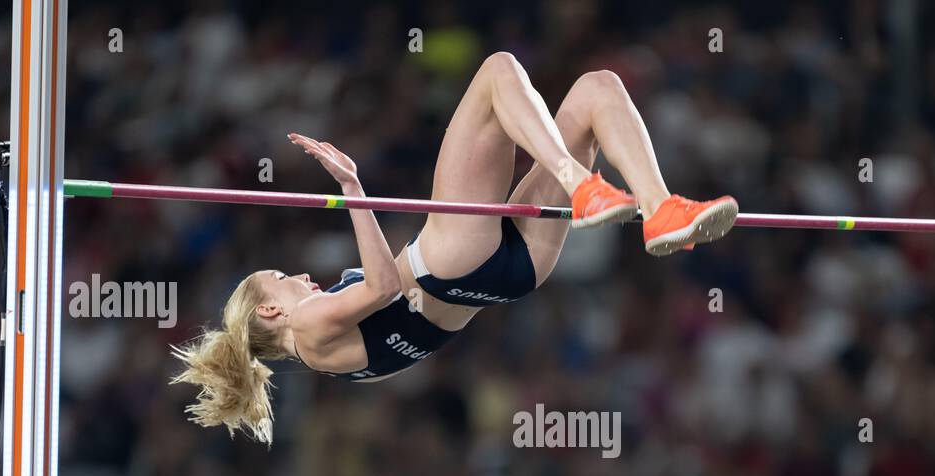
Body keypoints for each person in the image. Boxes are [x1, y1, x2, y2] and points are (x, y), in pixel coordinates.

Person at [171, 53, 739, 444]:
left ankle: (660, 210)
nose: (298, 276)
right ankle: (580, 183)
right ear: (272, 310)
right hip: (450, 261)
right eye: (283, 278)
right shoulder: (309, 331)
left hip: (508, 275)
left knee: (596, 91)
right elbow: (384, 286)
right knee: (497, 71)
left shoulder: (331, 358)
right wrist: (352, 190)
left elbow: (405, 321)